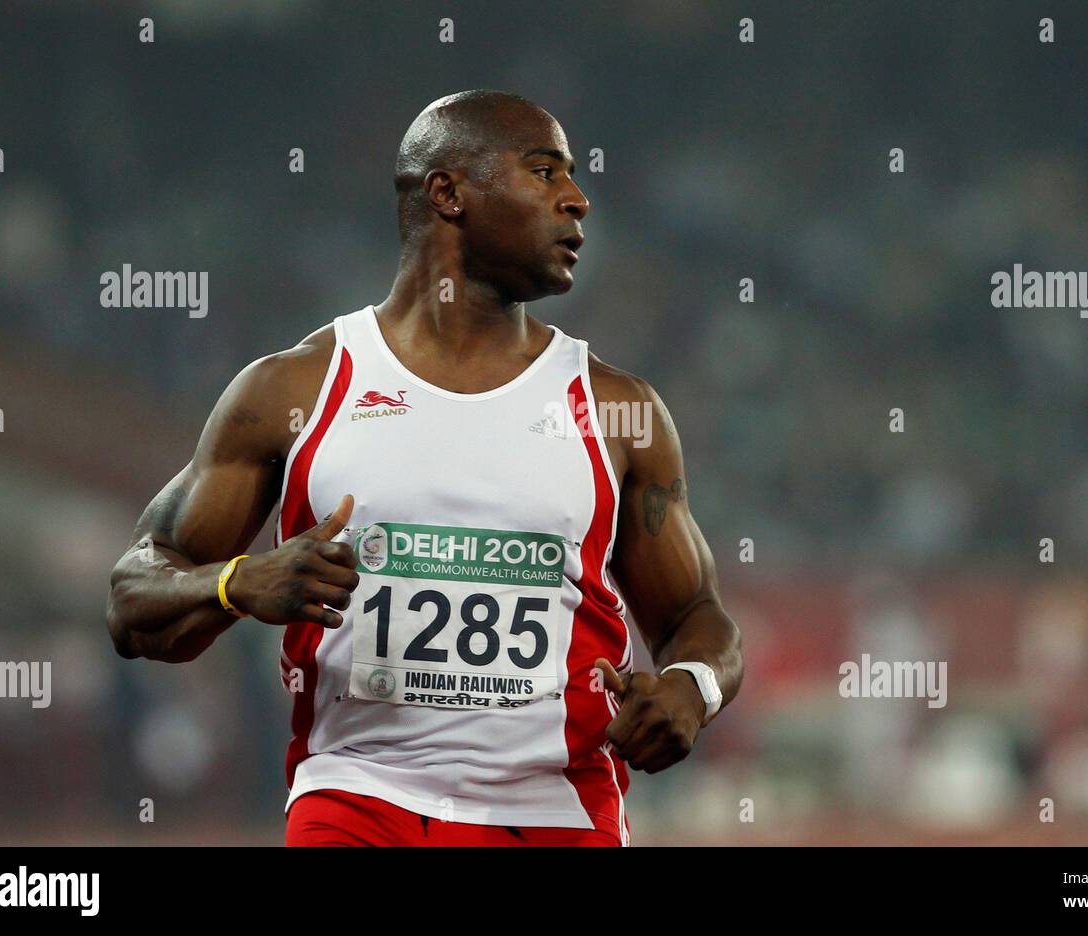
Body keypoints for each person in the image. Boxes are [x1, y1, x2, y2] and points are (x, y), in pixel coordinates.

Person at [107, 90, 743, 846]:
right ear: (447, 193)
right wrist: (235, 582)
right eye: (544, 172)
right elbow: (132, 601)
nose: (578, 201)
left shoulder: (615, 412)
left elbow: (698, 617)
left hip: (552, 811)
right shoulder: (297, 389)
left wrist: (689, 688)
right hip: (356, 799)